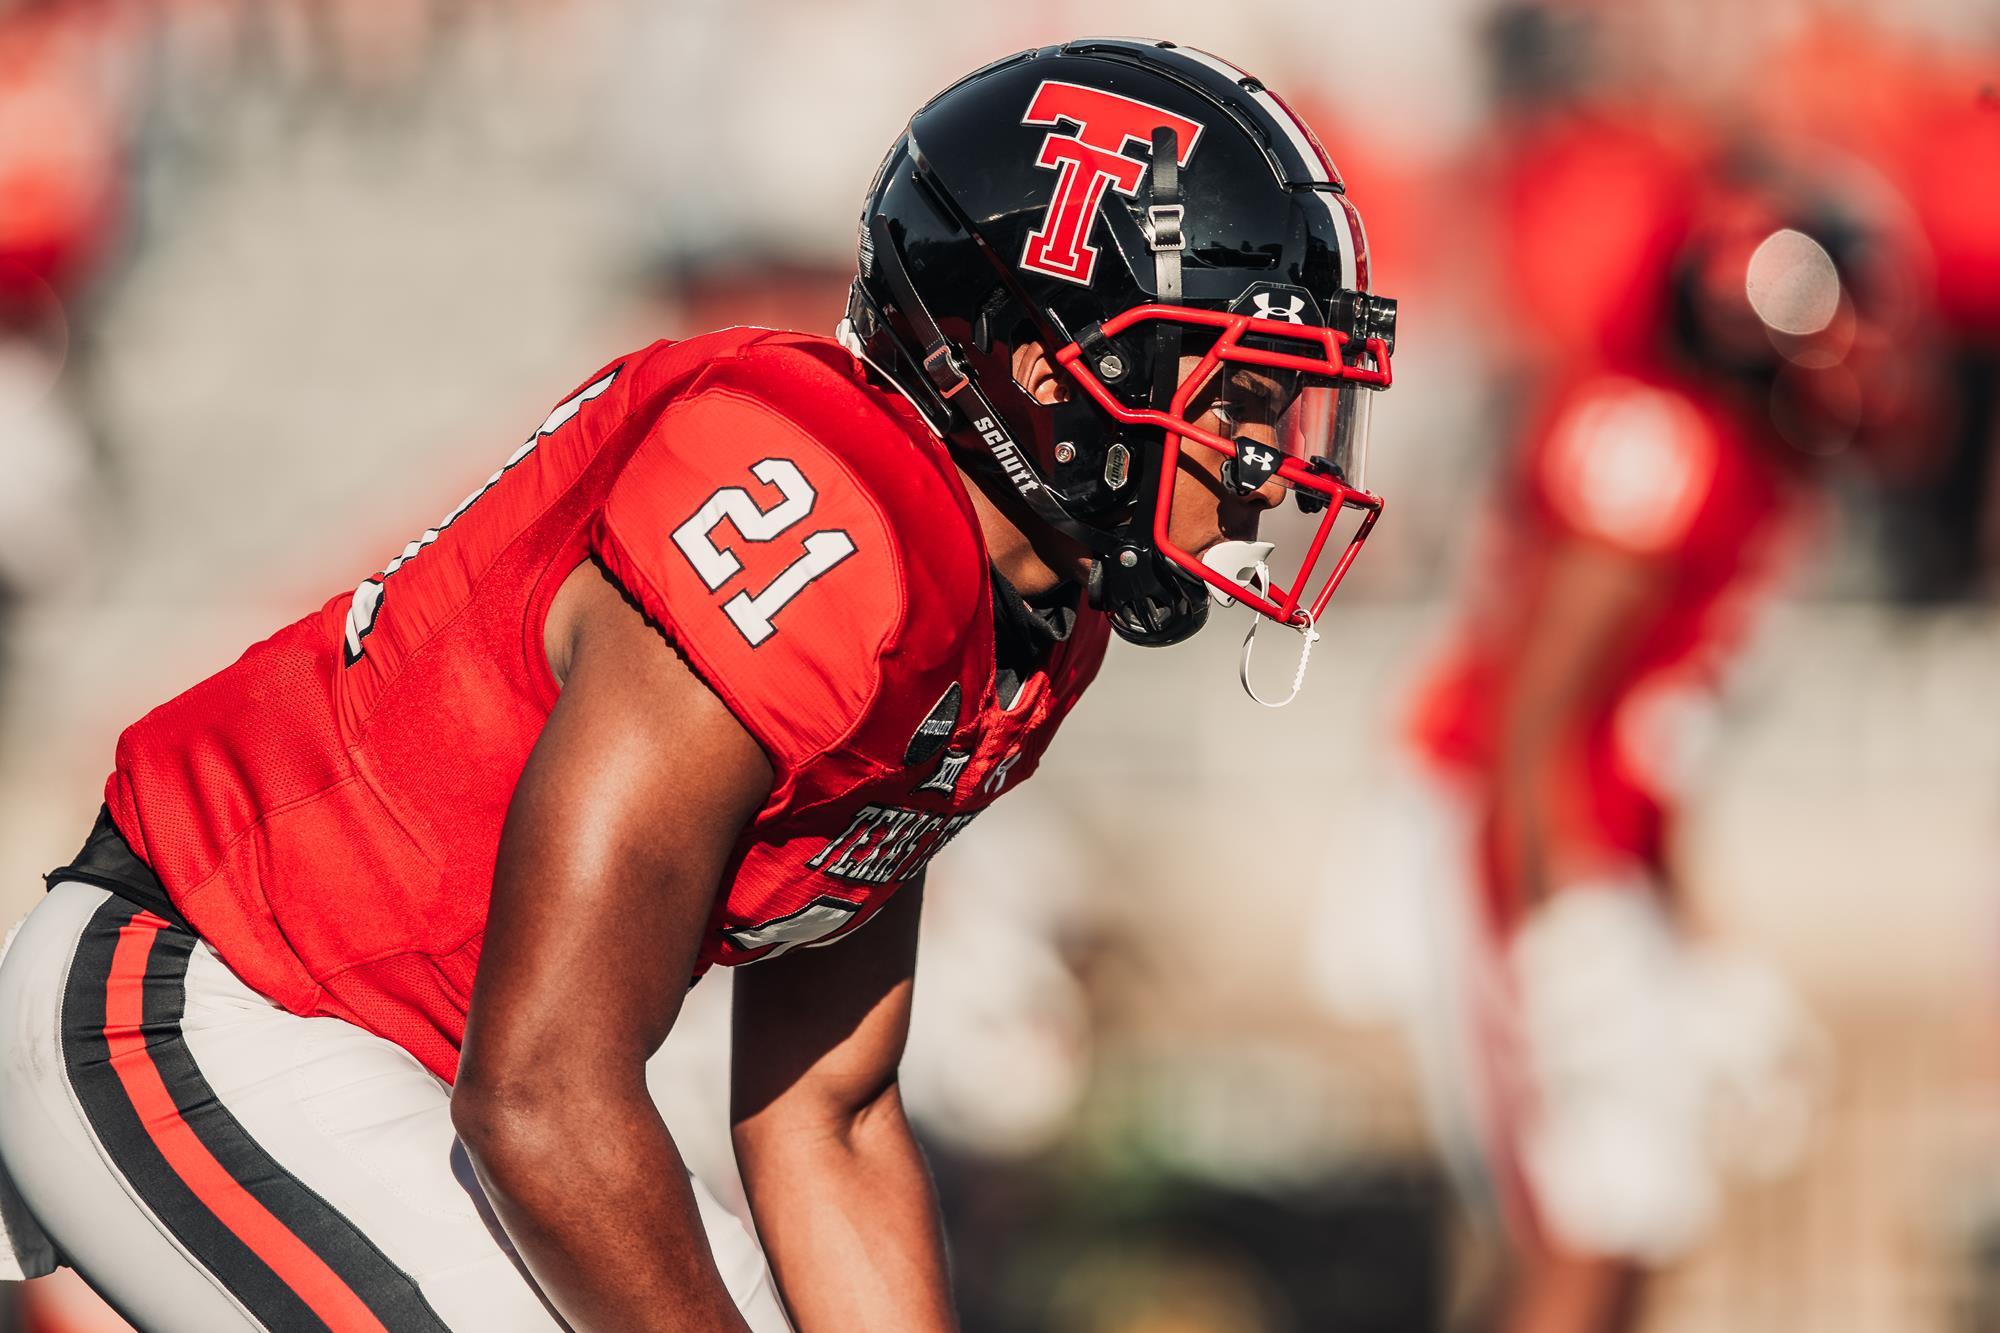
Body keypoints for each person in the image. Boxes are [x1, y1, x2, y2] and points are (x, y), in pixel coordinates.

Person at [0, 37, 1396, 1333]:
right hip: (215, 1004)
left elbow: (825, 1112)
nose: (1274, 453)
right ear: (1046, 370)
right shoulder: (818, 514)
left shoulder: (1019, 615)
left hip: (442, 1079)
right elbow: (544, 1093)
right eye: (1237, 391)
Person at [1400, 147, 1937, 1333]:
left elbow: (1648, 751)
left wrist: (1696, 955)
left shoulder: (1741, 469)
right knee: (1587, 1226)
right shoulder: (1658, 441)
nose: (1865, 347)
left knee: (1628, 1221)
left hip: (1586, 856)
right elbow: (1530, 717)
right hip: (1522, 856)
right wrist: (1564, 927)